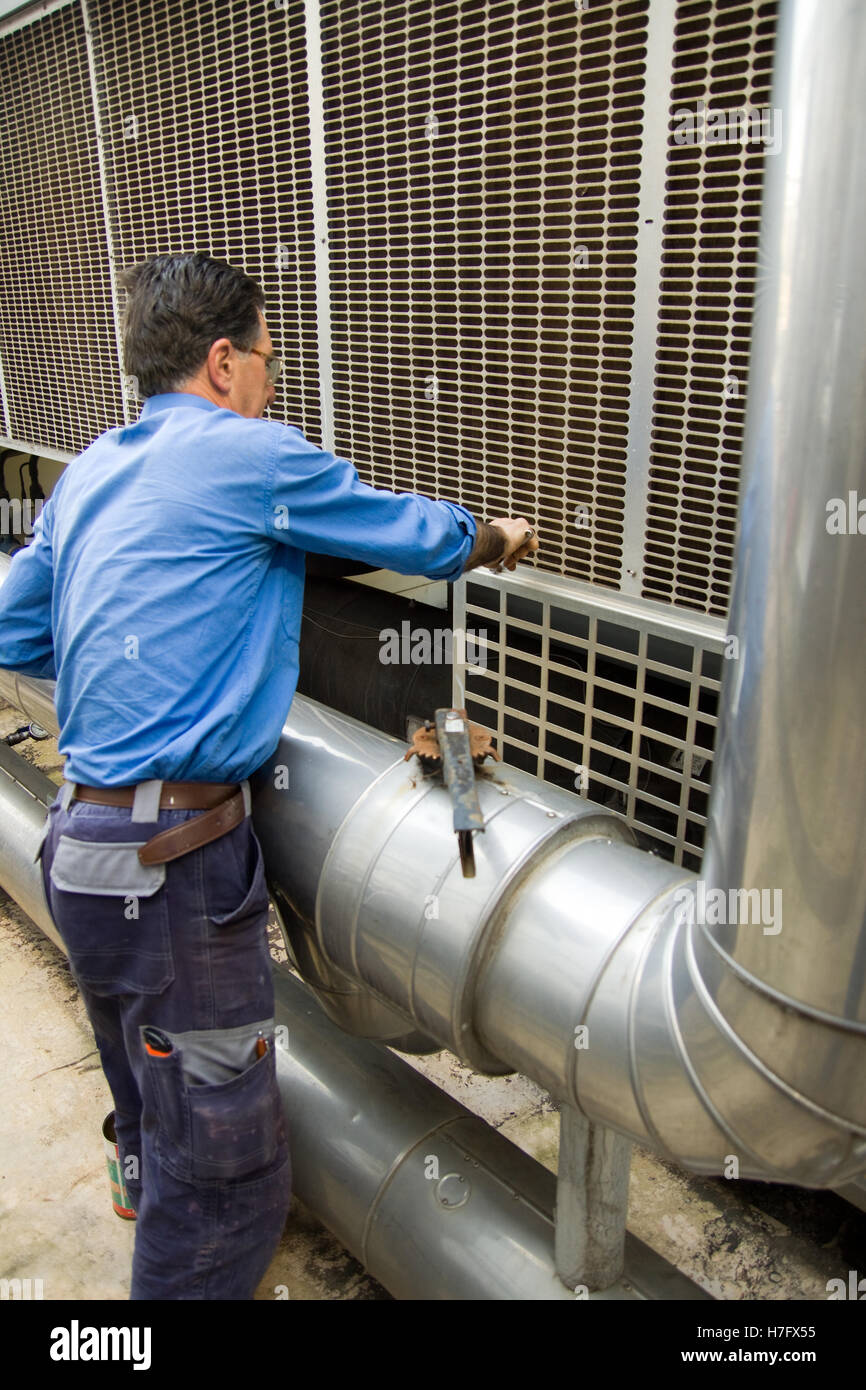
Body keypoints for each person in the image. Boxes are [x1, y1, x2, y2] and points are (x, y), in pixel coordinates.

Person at [0, 251, 539, 1299]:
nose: (273, 382)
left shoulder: (94, 468)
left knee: (144, 1079)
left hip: (82, 846)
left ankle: (140, 1178)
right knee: (225, 1177)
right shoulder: (251, 457)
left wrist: (143, 659)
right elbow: (407, 532)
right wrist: (494, 536)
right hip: (174, 871)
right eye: (268, 360)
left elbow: (15, 631)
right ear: (220, 362)